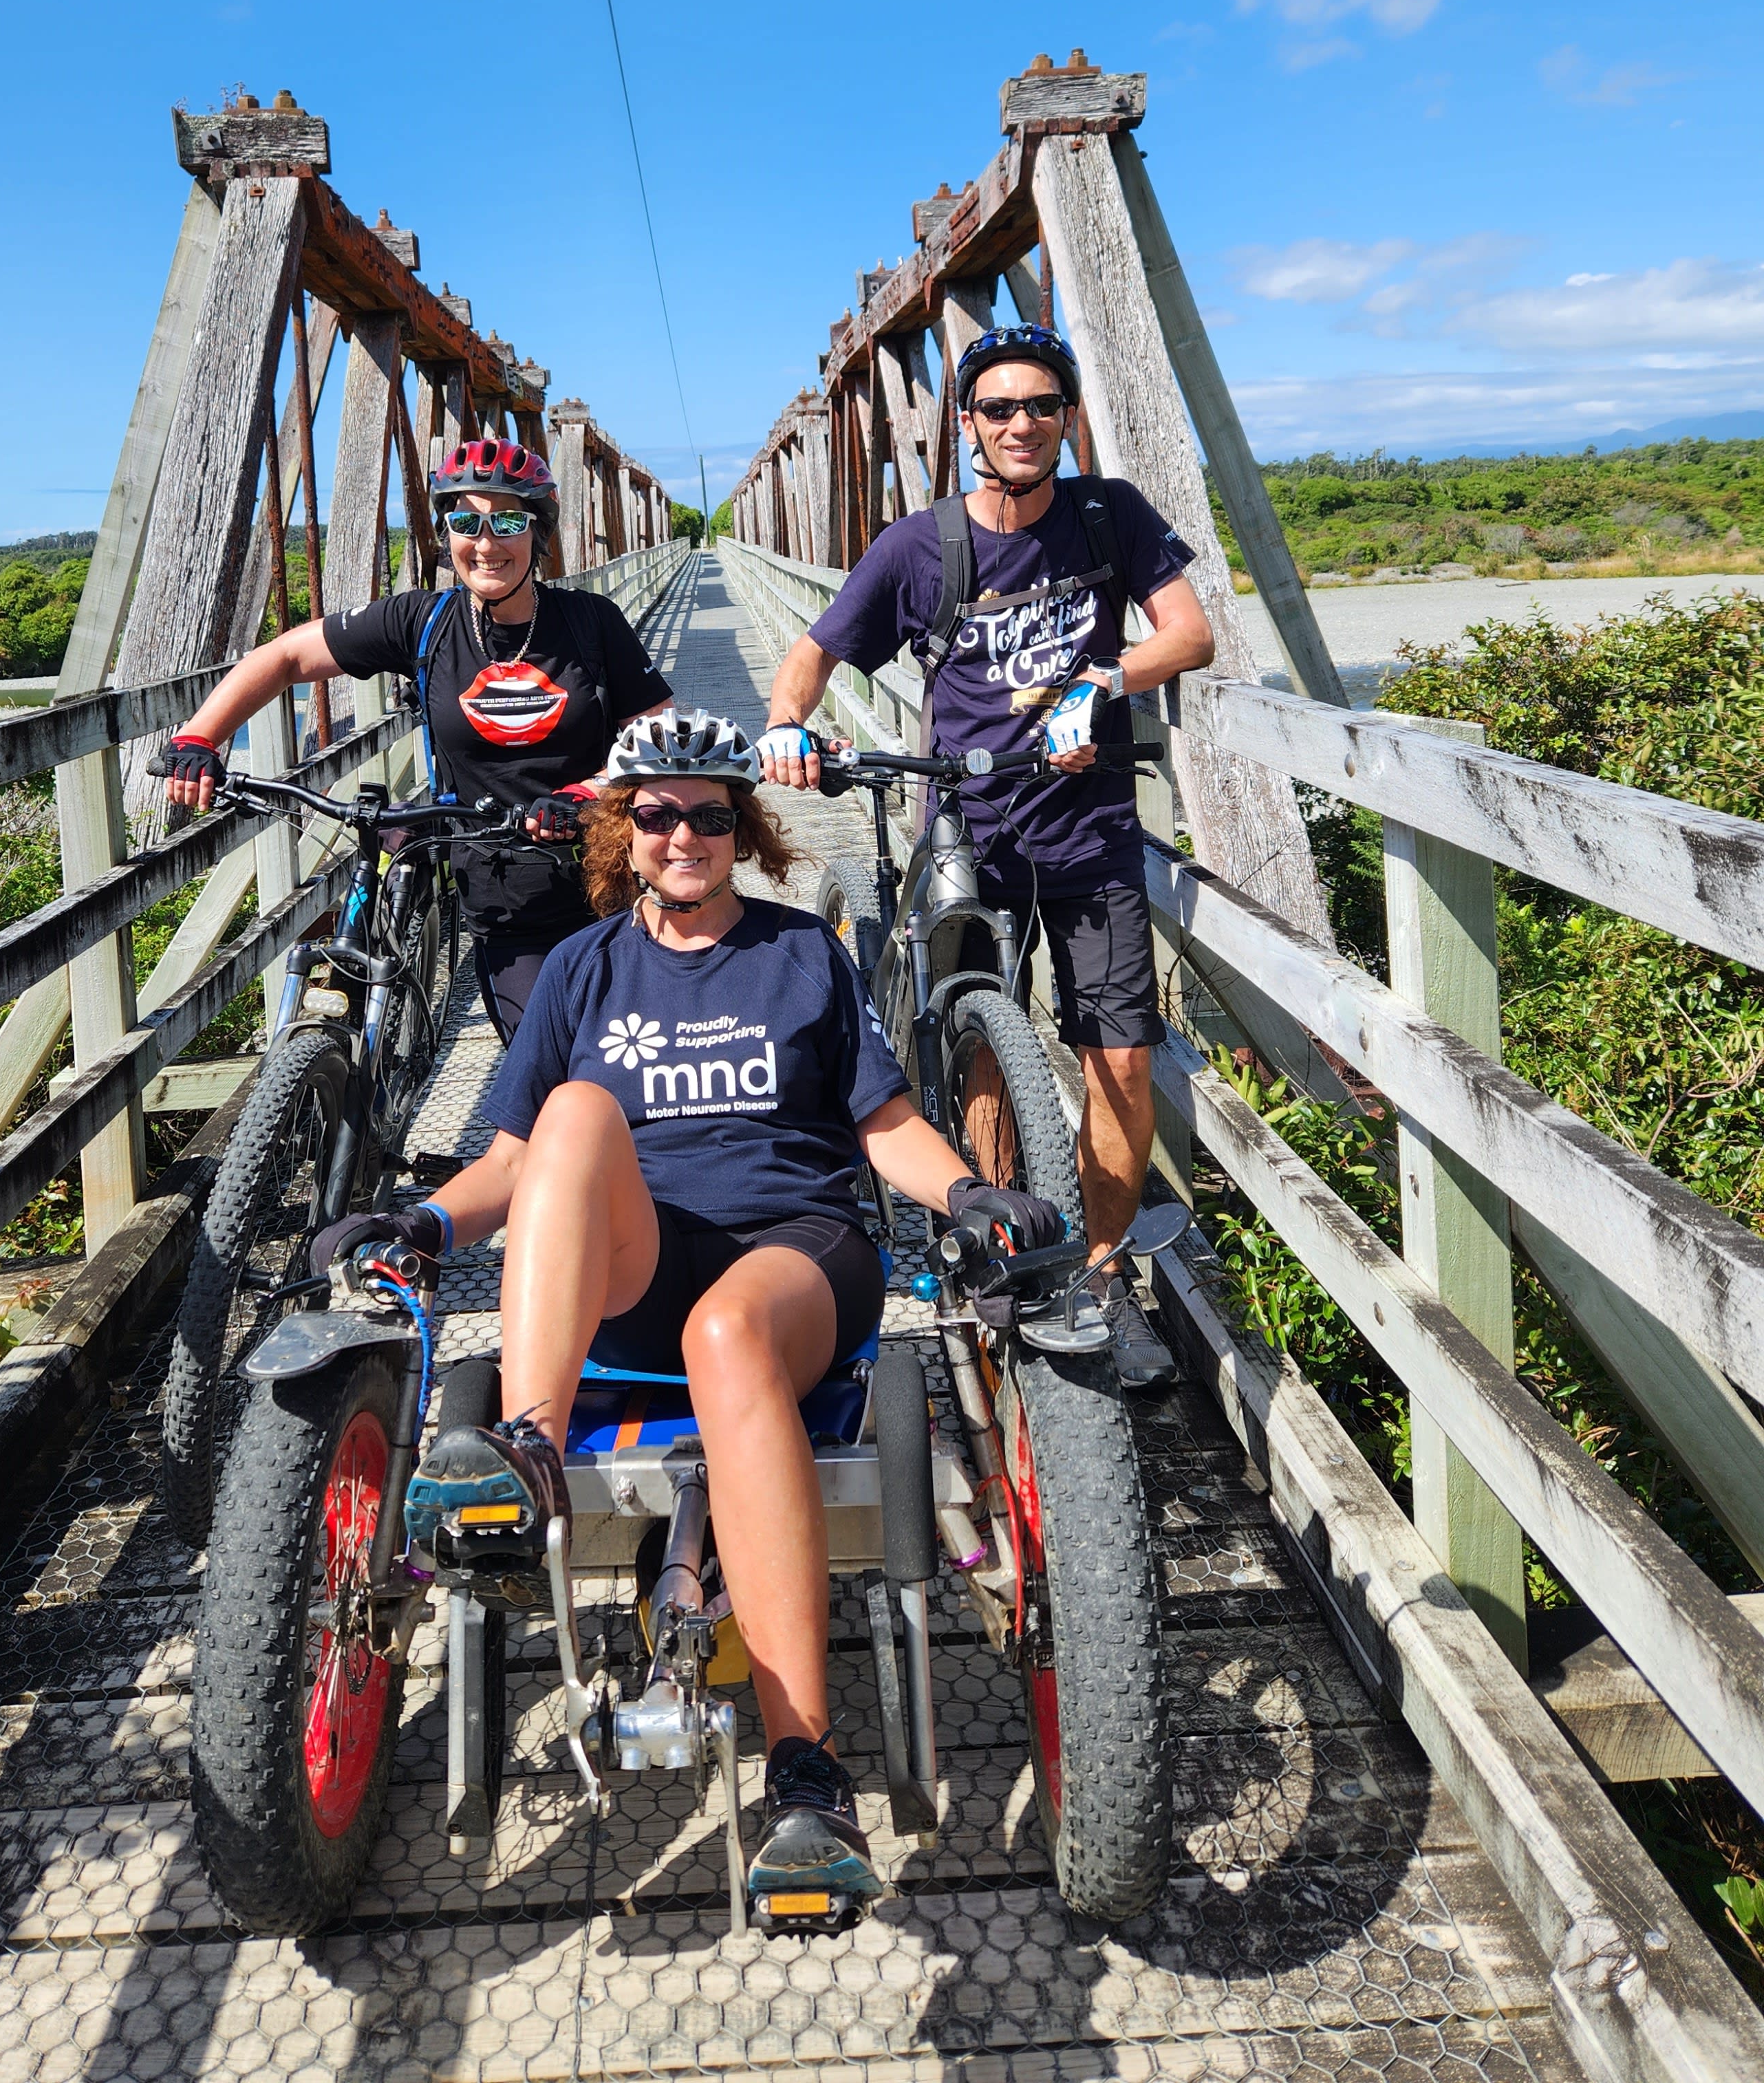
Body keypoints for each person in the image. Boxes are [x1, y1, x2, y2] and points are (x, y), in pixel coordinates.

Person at [336, 709, 1060, 1910]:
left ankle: (805, 1773)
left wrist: (975, 1190)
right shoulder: (583, 967)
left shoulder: (802, 954)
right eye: (659, 813)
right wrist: (424, 1226)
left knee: (726, 1332)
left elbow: (883, 1129)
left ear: (743, 828)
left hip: (796, 1254)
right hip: (636, 1262)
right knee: (574, 1115)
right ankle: (526, 1448)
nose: (685, 835)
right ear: (626, 827)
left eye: (711, 815)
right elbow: (515, 1160)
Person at [755, 321, 1216, 1392]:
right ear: (965, 427)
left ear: (1068, 418)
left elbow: (1188, 632)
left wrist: (1103, 682)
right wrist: (786, 722)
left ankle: (1100, 1277)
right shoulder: (919, 547)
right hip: (968, 827)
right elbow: (818, 652)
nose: (1022, 423)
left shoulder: (1113, 517)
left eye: (1041, 406)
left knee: (1124, 1061)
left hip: (1090, 828)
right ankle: (1009, 1246)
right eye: (999, 408)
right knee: (982, 1055)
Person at [155, 435, 673, 1042]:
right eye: (464, 521)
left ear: (539, 534)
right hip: (503, 903)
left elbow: (656, 735)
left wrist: (588, 792)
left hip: (605, 886)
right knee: (547, 1075)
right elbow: (287, 657)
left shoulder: (590, 622)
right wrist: (199, 738)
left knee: (631, 1065)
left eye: (508, 520)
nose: (485, 543)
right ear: (445, 533)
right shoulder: (422, 623)